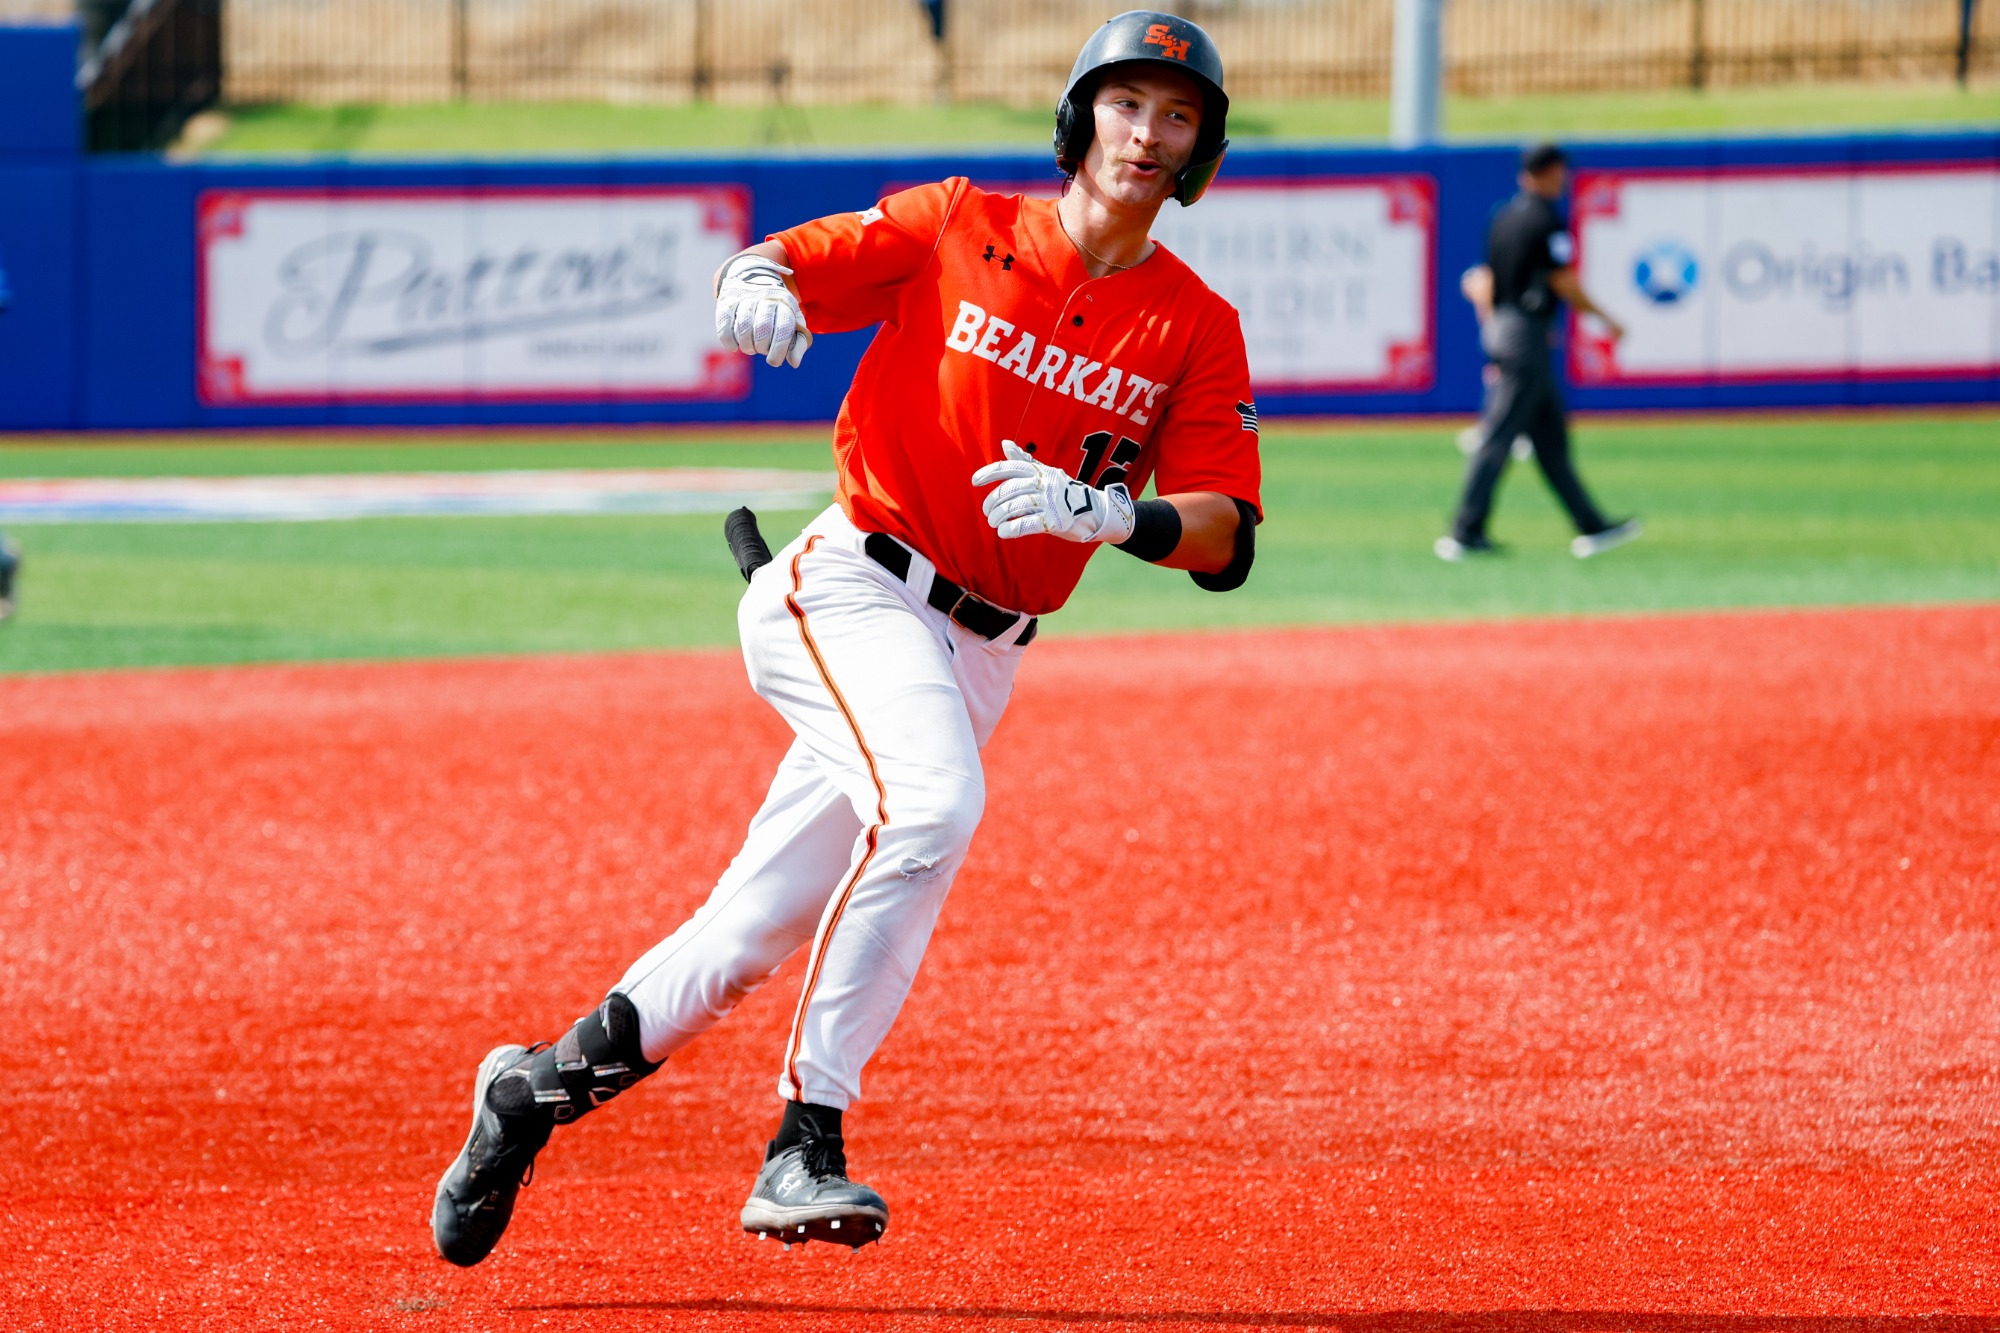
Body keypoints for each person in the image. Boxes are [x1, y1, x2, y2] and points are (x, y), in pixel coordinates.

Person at [430, 9, 1262, 1267]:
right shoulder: (958, 222)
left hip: (981, 652)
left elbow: (1225, 537)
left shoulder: (1193, 322)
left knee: (747, 934)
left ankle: (527, 1093)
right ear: (1080, 115)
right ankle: (803, 1138)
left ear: (1200, 149)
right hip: (852, 586)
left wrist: (1113, 514)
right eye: (1126, 102)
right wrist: (751, 280)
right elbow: (786, 260)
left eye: (1177, 115)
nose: (1146, 132)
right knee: (933, 807)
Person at [1436, 141, 1641, 562]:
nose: (1563, 178)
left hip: (1508, 328)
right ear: (1548, 172)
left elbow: (1484, 282)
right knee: (1498, 437)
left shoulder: (1503, 217)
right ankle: (1464, 531)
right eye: (1560, 170)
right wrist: (1607, 320)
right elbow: (1563, 281)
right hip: (1524, 337)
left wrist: (1493, 330)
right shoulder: (1545, 219)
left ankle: (1591, 526)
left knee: (1550, 443)